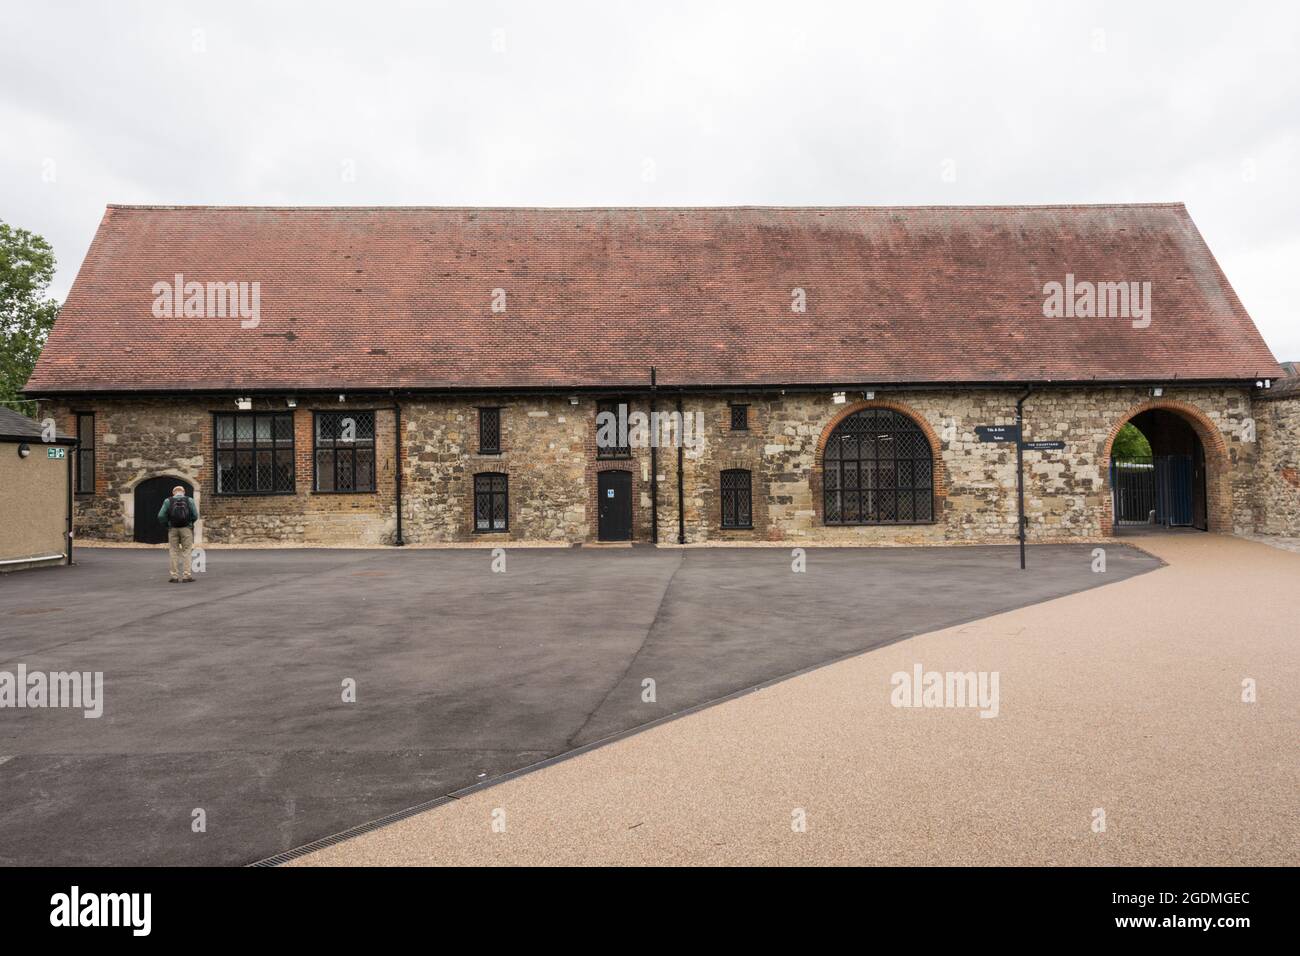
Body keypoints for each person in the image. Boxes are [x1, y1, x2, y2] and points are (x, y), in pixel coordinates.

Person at [157, 485, 200, 583]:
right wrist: (190, 524)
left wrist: (167, 525)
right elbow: (195, 515)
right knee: (187, 551)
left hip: (173, 529)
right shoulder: (189, 500)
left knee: (173, 551)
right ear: (184, 492)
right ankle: (186, 576)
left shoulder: (168, 501)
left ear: (173, 493)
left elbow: (160, 516)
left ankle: (174, 576)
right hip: (186, 529)